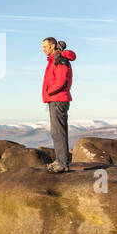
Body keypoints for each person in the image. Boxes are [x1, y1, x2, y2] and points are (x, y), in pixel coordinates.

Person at [41, 37, 76, 172]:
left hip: (58, 99)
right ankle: (60, 160)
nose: (43, 49)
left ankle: (62, 164)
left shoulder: (59, 59)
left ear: (52, 46)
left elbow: (62, 80)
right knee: (56, 132)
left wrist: (49, 92)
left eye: (45, 46)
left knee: (59, 132)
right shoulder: (54, 59)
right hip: (55, 99)